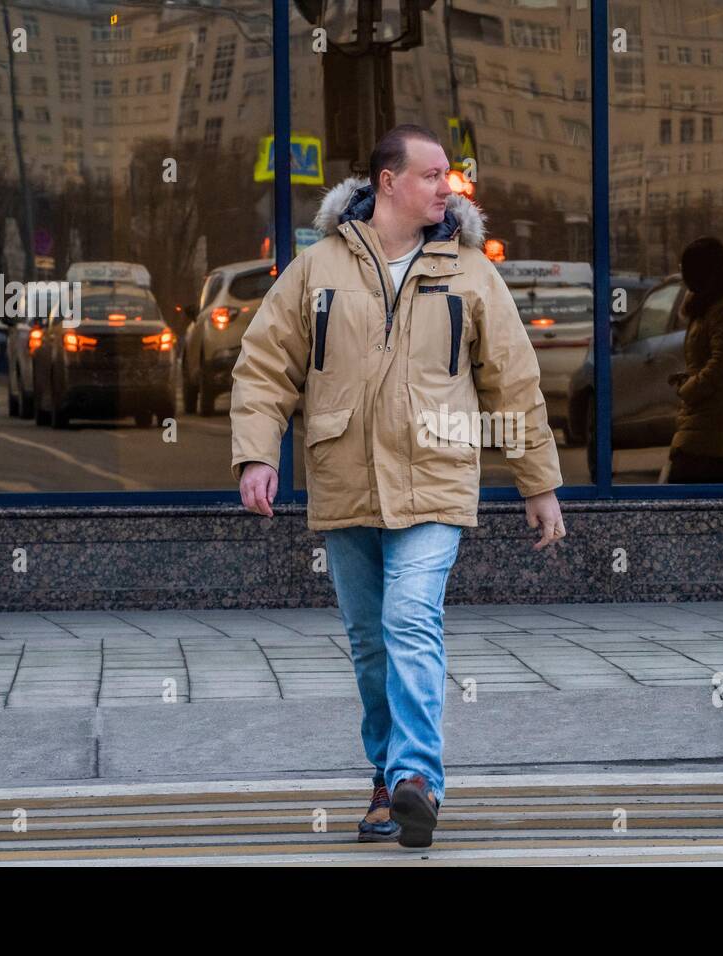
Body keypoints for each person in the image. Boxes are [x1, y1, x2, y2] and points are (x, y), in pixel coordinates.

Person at [228, 125, 565, 848]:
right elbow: (264, 366)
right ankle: (387, 780)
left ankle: (418, 779)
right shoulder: (316, 270)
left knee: (410, 618)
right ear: (387, 182)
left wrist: (538, 481)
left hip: (437, 478)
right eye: (433, 174)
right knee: (371, 643)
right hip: (344, 477)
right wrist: (258, 455)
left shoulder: (471, 272)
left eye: (450, 176)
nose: (448, 186)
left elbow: (513, 383)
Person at [665, 236, 723, 482]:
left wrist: (690, 388)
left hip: (715, 415)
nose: (684, 277)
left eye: (687, 269)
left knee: (687, 489)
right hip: (707, 412)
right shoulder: (709, 304)